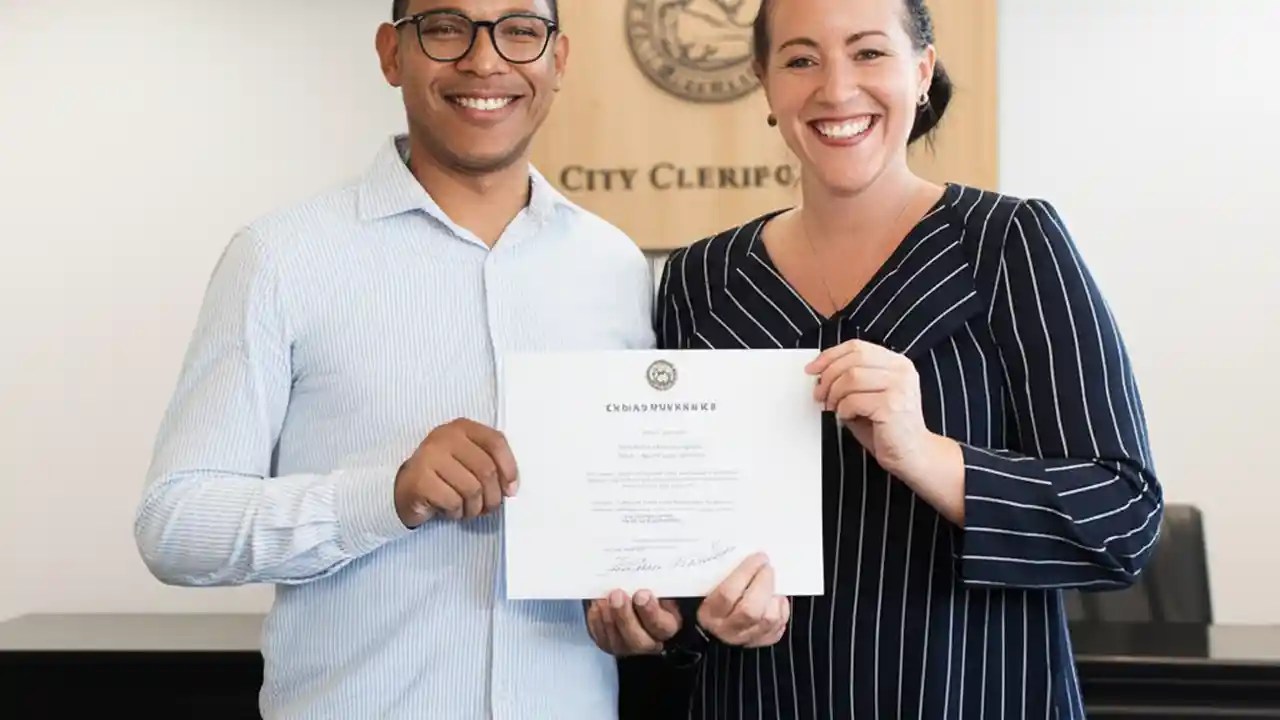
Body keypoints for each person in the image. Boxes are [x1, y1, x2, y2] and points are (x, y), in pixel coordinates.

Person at [595, 0, 1164, 718]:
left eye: (868, 52)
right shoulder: (703, 279)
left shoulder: (1012, 244)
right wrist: (680, 621)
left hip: (969, 696)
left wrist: (925, 454)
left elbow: (1122, 522)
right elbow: (676, 546)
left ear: (921, 72)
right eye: (801, 60)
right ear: (764, 85)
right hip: (761, 700)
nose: (835, 89)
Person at [133, 1, 661, 717]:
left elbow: (633, 516)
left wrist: (644, 612)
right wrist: (389, 496)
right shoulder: (282, 259)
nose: (484, 60)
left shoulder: (614, 267)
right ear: (391, 54)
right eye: (446, 28)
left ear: (557, 60)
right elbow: (175, 526)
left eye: (519, 31)